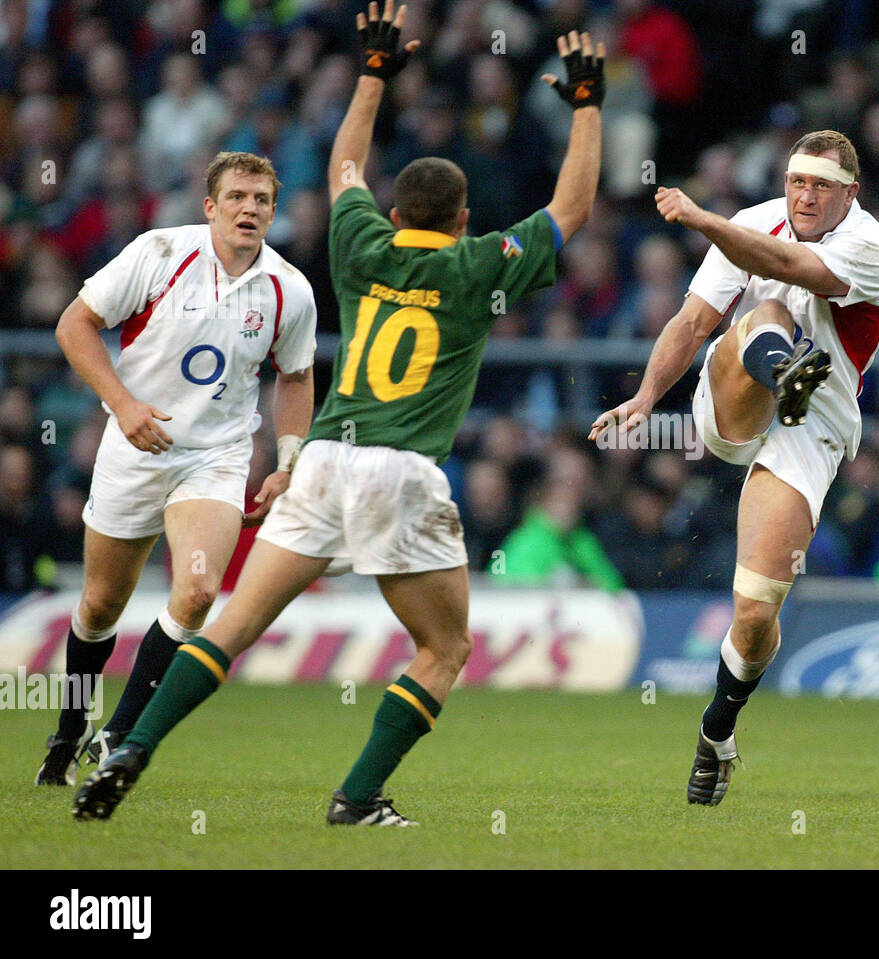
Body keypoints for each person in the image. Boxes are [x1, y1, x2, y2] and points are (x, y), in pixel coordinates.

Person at [74, 2, 604, 826]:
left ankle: (134, 743)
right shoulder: (477, 265)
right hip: (401, 472)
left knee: (232, 625)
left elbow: (344, 167)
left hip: (321, 460)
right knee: (446, 648)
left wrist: (373, 73)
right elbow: (570, 209)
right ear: (464, 222)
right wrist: (586, 105)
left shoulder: (360, 244)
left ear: (397, 216)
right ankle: (357, 797)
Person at [591, 129, 879, 805]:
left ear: (852, 192)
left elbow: (799, 268)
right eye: (797, 181)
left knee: (756, 609)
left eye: (822, 185)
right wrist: (646, 395)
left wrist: (705, 221)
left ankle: (716, 731)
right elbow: (693, 321)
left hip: (813, 425)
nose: (806, 195)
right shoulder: (750, 223)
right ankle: (783, 366)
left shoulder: (869, 245)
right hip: (736, 390)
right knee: (764, 312)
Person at [36, 149, 317, 786]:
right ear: (211, 207)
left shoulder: (289, 290)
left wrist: (290, 459)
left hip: (215, 459)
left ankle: (119, 736)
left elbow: (296, 376)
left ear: (273, 212)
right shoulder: (160, 253)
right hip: (134, 446)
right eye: (238, 198)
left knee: (194, 593)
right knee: (101, 604)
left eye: (262, 200)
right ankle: (70, 726)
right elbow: (75, 324)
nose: (250, 209)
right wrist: (124, 404)